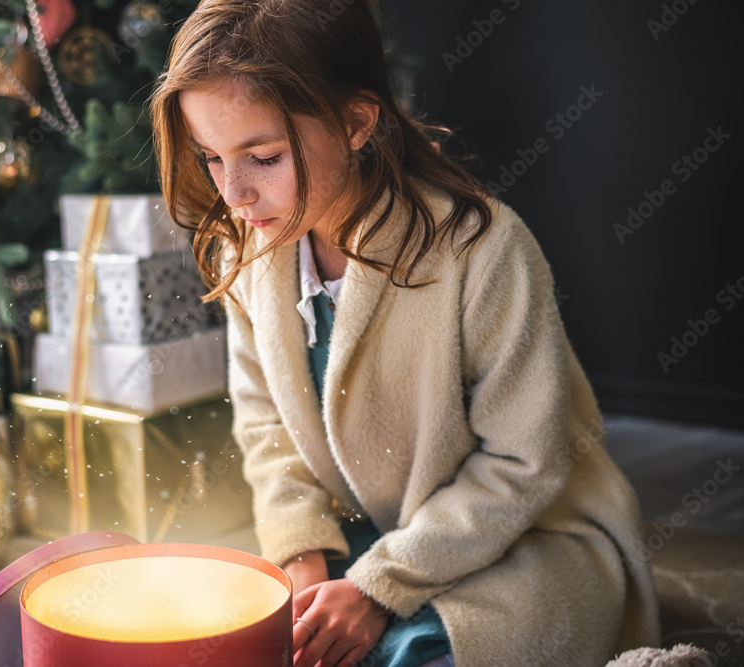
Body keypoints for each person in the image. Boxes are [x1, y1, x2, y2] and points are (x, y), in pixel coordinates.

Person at [151, 1, 660, 666]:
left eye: (265, 156)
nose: (236, 193)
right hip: (369, 534)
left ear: (357, 122)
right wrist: (305, 561)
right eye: (211, 158)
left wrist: (376, 587)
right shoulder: (243, 253)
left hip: (525, 535)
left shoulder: (482, 250)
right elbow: (267, 432)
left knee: (419, 653)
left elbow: (523, 465)